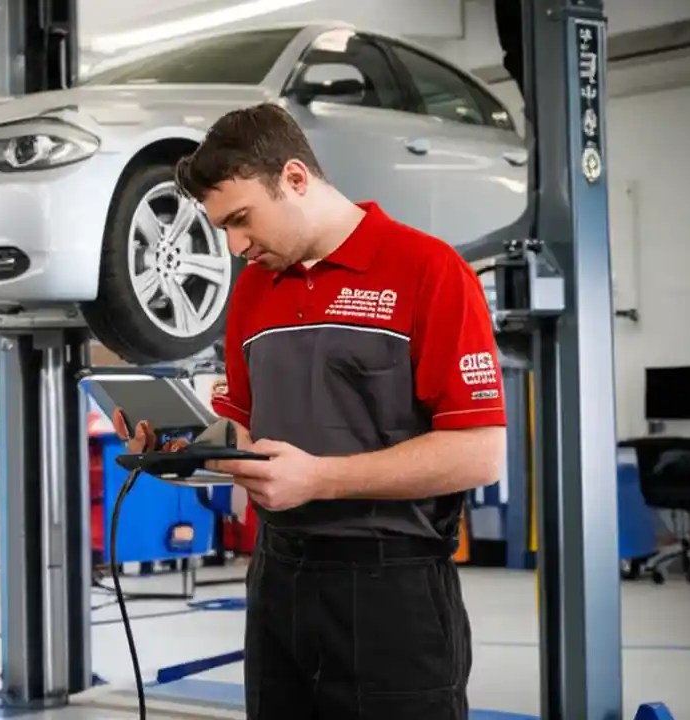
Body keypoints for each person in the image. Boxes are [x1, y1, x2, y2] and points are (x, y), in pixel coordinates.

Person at [112, 101, 507, 719]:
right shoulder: (251, 292)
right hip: (279, 583)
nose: (237, 246)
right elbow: (241, 433)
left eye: (242, 219)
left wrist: (321, 478)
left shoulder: (429, 272)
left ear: (295, 179)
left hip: (391, 591)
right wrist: (178, 452)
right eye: (223, 229)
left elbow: (479, 453)